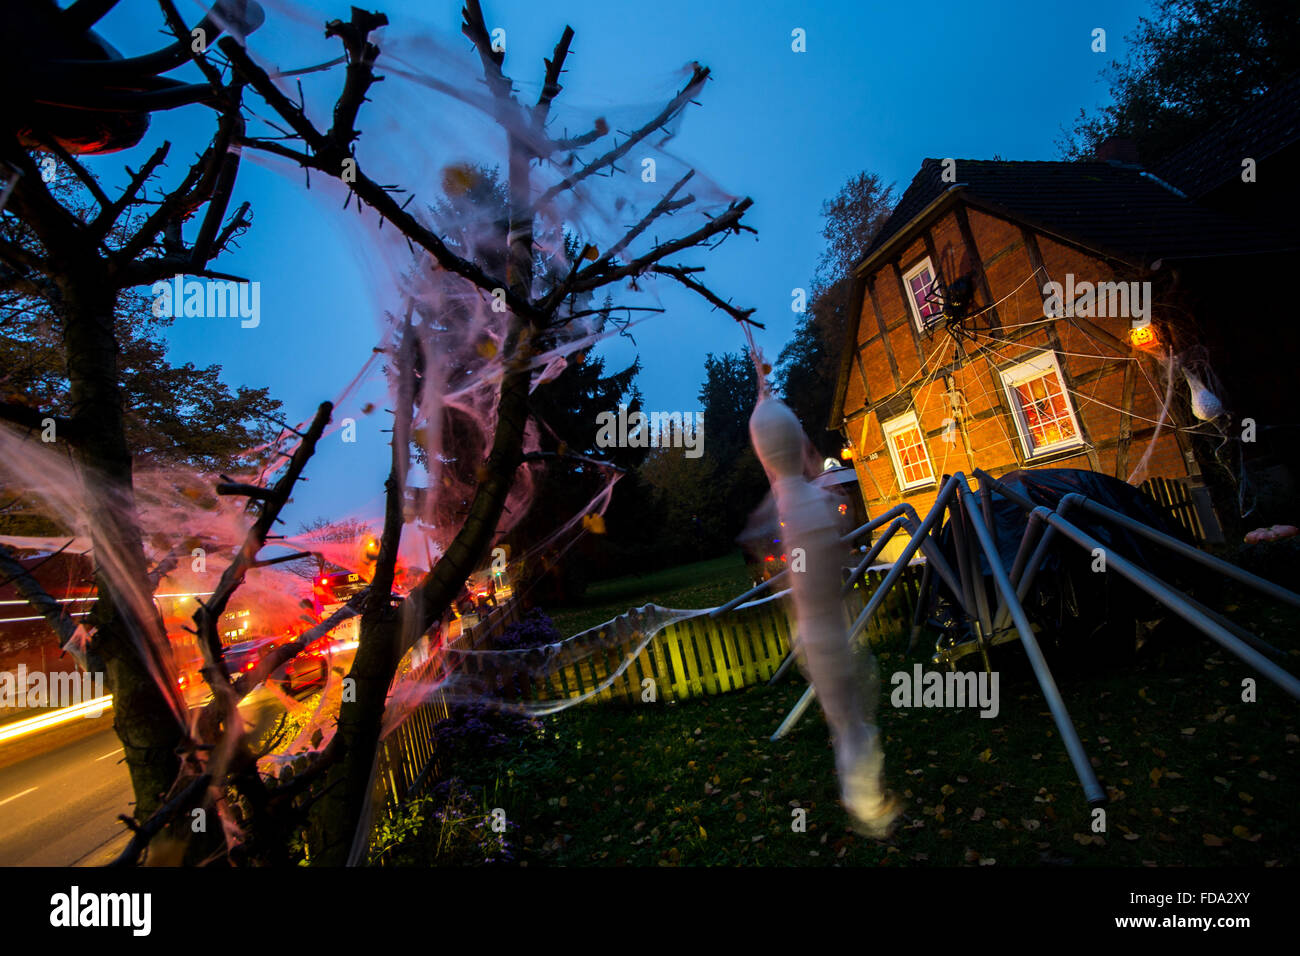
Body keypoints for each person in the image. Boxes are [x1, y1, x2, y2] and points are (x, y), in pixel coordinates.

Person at [749, 394, 900, 837]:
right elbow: (838, 536)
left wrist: (764, 396)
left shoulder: (783, 505)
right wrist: (815, 466)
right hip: (831, 637)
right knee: (852, 721)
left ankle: (866, 796)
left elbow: (777, 466)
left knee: (847, 718)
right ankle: (870, 806)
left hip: (811, 636)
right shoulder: (812, 505)